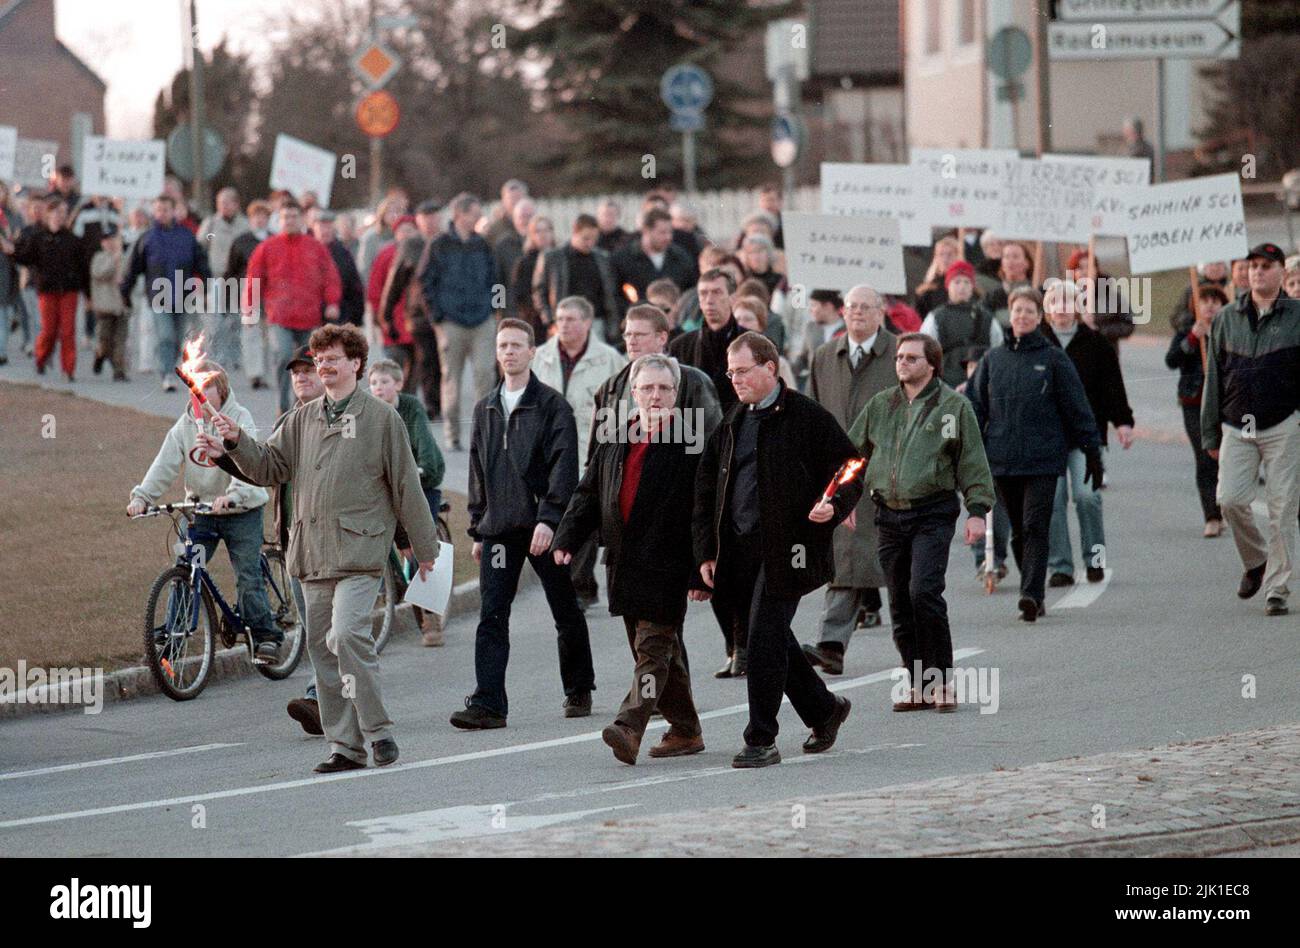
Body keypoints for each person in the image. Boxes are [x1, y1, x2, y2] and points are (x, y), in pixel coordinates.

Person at [198, 323, 440, 773]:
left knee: (348, 635)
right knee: (323, 653)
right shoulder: (301, 419)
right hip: (311, 555)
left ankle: (378, 731)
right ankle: (345, 747)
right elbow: (269, 467)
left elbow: (408, 485)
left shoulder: (382, 419)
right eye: (319, 359)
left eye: (333, 358)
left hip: (360, 553)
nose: (324, 366)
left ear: (356, 364)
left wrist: (425, 550)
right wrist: (232, 442)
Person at [693, 331, 859, 767]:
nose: (735, 380)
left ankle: (761, 738)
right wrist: (706, 553)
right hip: (740, 548)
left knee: (763, 636)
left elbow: (851, 464)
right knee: (772, 638)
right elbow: (707, 488)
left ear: (770, 367)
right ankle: (824, 711)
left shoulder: (805, 415)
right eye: (730, 373)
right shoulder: (732, 420)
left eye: (742, 371)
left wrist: (834, 502)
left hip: (791, 548)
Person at [554, 353, 708, 765]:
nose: (655, 396)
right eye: (647, 388)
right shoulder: (617, 437)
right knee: (662, 655)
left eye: (664, 389)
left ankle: (629, 726)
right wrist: (567, 537)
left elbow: (704, 510)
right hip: (623, 563)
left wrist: (701, 568)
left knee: (651, 652)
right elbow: (588, 493)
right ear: (633, 393)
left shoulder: (691, 441)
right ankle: (687, 729)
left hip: (668, 565)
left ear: (676, 394)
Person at [450, 318, 596, 729]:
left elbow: (564, 468)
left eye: (517, 345)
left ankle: (579, 686)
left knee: (565, 608)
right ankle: (489, 702)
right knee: (492, 614)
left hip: (543, 530)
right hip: (499, 532)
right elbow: (478, 471)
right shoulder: (485, 408)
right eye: (503, 346)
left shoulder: (552, 406)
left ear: (533, 352)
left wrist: (550, 520)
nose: (510, 352)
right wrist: (478, 526)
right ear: (496, 353)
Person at [848, 333, 995, 711]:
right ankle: (916, 682)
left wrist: (977, 512)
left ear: (932, 364)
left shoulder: (954, 407)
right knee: (898, 599)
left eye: (912, 358)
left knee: (923, 592)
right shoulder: (882, 405)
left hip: (932, 511)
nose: (902, 363)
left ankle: (942, 681)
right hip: (888, 514)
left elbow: (972, 462)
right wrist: (841, 499)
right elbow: (851, 455)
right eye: (899, 357)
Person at [126, 360, 280, 660]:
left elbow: (249, 462)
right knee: (187, 567)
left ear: (220, 389)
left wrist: (234, 495)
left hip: (241, 510)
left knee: (247, 575)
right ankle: (174, 637)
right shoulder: (185, 425)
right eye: (194, 387)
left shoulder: (238, 418)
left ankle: (265, 635)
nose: (198, 392)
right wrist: (142, 497)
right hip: (203, 514)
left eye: (206, 385)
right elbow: (165, 464)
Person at [967, 287, 1102, 623]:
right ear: (1009, 317)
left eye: (1029, 311)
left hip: (1043, 459)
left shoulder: (1054, 359)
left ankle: (1031, 594)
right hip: (1002, 460)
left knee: (1035, 525)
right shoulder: (992, 360)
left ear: (1039, 318)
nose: (1022, 317)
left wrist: (1092, 451)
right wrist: (967, 450)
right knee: (1018, 531)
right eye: (1017, 311)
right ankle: (1032, 581)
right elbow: (974, 407)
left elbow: (1077, 407)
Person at [211, 346, 327, 734]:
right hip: (295, 542)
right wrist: (227, 451)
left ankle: (321, 698)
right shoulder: (289, 421)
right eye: (296, 372)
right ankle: (332, 700)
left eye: (309, 370)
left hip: (334, 544)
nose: (302, 377)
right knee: (315, 630)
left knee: (332, 630)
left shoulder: (344, 417)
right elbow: (265, 469)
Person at [801, 285, 897, 676]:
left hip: (891, 471)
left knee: (901, 567)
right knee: (847, 555)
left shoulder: (900, 354)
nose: (857, 313)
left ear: (881, 312)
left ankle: (920, 651)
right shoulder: (825, 356)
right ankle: (831, 644)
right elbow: (810, 413)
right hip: (842, 472)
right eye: (851, 307)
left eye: (866, 307)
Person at [1201, 242, 1300, 618]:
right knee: (1229, 499)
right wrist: (1209, 431)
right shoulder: (1227, 317)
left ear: (1280, 272)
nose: (1257, 272)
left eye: (1266, 266)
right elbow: (1214, 377)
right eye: (1252, 266)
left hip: (1284, 424)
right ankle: (1256, 560)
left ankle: (1277, 588)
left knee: (1281, 508)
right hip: (1237, 424)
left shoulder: (1296, 316)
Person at [530, 295, 627, 608]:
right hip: (550, 450)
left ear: (588, 322)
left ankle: (578, 584)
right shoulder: (540, 357)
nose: (565, 324)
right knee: (558, 510)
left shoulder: (609, 359)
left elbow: (624, 405)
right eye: (561, 318)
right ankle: (579, 584)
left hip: (592, 446)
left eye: (572, 319)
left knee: (583, 512)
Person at [1041, 281, 1134, 587]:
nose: (1062, 308)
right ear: (1047, 309)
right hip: (1047, 438)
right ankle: (1060, 566)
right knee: (1052, 500)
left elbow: (1112, 386)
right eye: (1055, 302)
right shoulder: (1036, 343)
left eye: (1067, 302)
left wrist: (1123, 422)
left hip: (1086, 434)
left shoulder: (1095, 343)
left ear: (1078, 307)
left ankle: (1094, 559)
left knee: (1087, 497)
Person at [367, 357, 447, 646]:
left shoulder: (411, 408)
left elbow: (424, 444)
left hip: (421, 482)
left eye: (385, 382)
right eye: (373, 383)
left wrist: (418, 468)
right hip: (385, 488)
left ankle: (430, 615)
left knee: (418, 544)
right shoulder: (368, 412)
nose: (378, 388)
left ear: (398, 384)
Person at [243, 199, 342, 414]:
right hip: (280, 316)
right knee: (284, 355)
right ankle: (282, 403)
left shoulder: (315, 246)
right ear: (279, 220)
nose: (289, 221)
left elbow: (330, 276)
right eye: (285, 217)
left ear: (302, 219)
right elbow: (254, 279)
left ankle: (306, 404)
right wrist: (249, 308)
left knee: (309, 362)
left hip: (309, 316)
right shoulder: (267, 247)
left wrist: (332, 302)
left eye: (293, 216)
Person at [591, 304, 721, 466]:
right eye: (628, 335)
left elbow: (712, 443)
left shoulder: (694, 381)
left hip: (675, 479)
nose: (631, 342)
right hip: (622, 483)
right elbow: (596, 457)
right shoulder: (610, 388)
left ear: (662, 338)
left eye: (639, 335)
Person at [420, 192, 497, 451]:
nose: (478, 218)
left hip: (482, 320)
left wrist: (494, 310)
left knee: (485, 375)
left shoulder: (482, 244)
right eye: (474, 213)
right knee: (451, 379)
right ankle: (452, 434)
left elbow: (495, 279)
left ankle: (483, 433)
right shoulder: (439, 244)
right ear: (459, 215)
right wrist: (437, 317)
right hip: (451, 321)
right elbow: (425, 282)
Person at [119, 194, 210, 391]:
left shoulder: (186, 236)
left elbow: (201, 263)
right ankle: (167, 373)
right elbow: (133, 268)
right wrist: (125, 291)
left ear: (173, 211)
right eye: (158, 210)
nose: (162, 214)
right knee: (165, 335)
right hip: (158, 297)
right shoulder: (147, 238)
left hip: (183, 295)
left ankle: (171, 366)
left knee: (178, 338)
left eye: (166, 210)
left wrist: (206, 286)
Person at [1166, 284, 1228, 537]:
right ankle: (1211, 515)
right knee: (1204, 457)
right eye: (1205, 301)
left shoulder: (1232, 329)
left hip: (1226, 404)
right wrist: (1192, 339)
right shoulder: (1186, 331)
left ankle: (1226, 505)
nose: (1210, 306)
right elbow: (1171, 361)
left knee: (1226, 457)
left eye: (1216, 301)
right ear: (1195, 305)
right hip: (1194, 402)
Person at [375, 199, 444, 419]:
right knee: (426, 360)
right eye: (426, 218)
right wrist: (385, 316)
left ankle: (432, 404)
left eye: (435, 217)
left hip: (448, 314)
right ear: (419, 222)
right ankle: (430, 407)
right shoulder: (411, 246)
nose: (431, 222)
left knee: (436, 362)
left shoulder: (447, 242)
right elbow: (394, 283)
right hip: (419, 315)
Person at [12, 195, 87, 381]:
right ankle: (41, 357)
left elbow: (82, 268)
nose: (60, 216)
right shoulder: (38, 238)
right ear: (49, 214)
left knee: (68, 331)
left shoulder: (73, 240)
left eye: (63, 212)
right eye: (56, 212)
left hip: (69, 290)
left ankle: (68, 370)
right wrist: (11, 250)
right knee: (49, 330)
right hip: (47, 290)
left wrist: (88, 294)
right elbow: (25, 257)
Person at [534, 213, 622, 341]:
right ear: (574, 233)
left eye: (594, 239)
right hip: (563, 323)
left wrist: (612, 326)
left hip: (596, 323)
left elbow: (611, 293)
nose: (590, 243)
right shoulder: (552, 258)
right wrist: (550, 322)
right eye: (586, 238)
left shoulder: (603, 259)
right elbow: (539, 292)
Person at [669, 268, 744, 416]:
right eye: (703, 293)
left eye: (717, 292)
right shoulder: (680, 346)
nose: (709, 300)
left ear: (732, 298)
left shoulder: (753, 342)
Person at [920, 260, 1003, 388]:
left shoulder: (987, 317)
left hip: (980, 383)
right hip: (944, 383)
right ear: (948, 286)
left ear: (972, 287)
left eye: (966, 282)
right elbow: (925, 351)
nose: (962, 286)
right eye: (957, 282)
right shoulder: (935, 317)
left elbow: (997, 349)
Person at [197, 187, 249, 368]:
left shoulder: (245, 225)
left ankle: (235, 357)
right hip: (216, 278)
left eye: (227, 203)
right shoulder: (211, 224)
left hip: (238, 280)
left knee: (235, 320)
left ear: (236, 204)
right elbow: (200, 247)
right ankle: (218, 357)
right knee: (216, 321)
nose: (223, 207)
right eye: (220, 203)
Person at [226, 200, 272, 390]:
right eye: (256, 217)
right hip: (248, 290)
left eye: (263, 216)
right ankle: (255, 373)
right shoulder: (241, 241)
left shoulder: (274, 239)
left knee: (269, 335)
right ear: (250, 219)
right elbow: (231, 270)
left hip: (271, 292)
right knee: (250, 333)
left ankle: (266, 369)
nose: (260, 220)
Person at [369, 215, 420, 376]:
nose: (406, 235)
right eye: (402, 231)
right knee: (393, 372)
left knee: (414, 375)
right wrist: (380, 317)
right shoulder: (386, 255)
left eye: (410, 231)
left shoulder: (423, 253)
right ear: (396, 233)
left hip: (416, 324)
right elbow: (375, 289)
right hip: (393, 324)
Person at [613, 208, 698, 301]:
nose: (668, 237)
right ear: (646, 230)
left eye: (670, 232)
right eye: (662, 232)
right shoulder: (623, 259)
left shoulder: (681, 257)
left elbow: (690, 292)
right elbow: (615, 296)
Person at [313, 210, 365, 327]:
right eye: (321, 226)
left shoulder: (342, 253)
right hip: (311, 316)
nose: (324, 231)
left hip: (340, 315)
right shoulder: (307, 251)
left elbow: (354, 285)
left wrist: (356, 317)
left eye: (328, 226)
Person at [89, 230, 129, 380]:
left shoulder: (124, 259)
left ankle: (119, 369)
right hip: (104, 306)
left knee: (120, 340)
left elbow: (129, 277)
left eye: (113, 240)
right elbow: (99, 274)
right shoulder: (99, 258)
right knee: (104, 340)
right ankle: (100, 355)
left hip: (121, 306)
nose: (111, 243)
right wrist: (114, 260)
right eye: (107, 240)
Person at [511, 215, 555, 337]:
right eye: (538, 231)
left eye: (546, 230)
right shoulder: (524, 262)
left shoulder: (561, 259)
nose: (543, 235)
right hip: (534, 321)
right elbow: (516, 293)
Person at [493, 197, 536, 316]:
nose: (526, 220)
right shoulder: (503, 245)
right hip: (513, 311)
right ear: (515, 219)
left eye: (530, 216)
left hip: (539, 313)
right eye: (522, 216)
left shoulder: (546, 245)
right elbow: (497, 281)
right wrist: (498, 309)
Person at [357, 191, 408, 282]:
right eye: (389, 212)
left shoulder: (406, 237)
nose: (394, 216)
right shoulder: (371, 238)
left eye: (397, 211)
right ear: (382, 214)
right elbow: (364, 269)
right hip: (377, 285)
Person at [983, 241, 1034, 331]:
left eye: (1015, 257)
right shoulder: (992, 297)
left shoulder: (1036, 294)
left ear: (1027, 263)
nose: (1010, 261)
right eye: (1006, 257)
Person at [912, 236, 960, 318]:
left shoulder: (967, 285)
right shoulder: (927, 289)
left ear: (958, 256)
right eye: (941, 254)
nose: (945, 259)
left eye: (950, 254)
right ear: (936, 258)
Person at [484, 179, 529, 248]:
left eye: (518, 198)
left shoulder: (533, 226)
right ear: (503, 201)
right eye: (512, 198)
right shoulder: (495, 228)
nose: (516, 202)